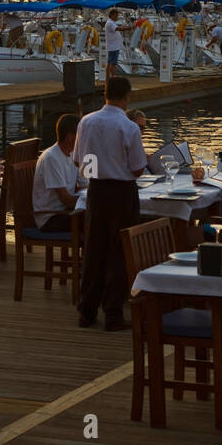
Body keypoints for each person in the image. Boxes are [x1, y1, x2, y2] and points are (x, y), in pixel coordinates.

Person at [73, 75, 146, 330]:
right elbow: (137, 168)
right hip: (122, 193)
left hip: (96, 190)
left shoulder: (86, 122)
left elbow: (78, 160)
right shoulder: (129, 127)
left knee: (94, 250)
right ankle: (113, 314)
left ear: (105, 95)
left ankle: (87, 311)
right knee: (119, 251)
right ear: (126, 97)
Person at [33, 114, 82, 231]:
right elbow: (65, 199)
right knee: (98, 221)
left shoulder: (74, 154)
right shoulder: (51, 158)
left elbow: (85, 184)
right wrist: (91, 203)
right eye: (81, 135)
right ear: (70, 137)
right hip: (50, 217)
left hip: (66, 211)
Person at [104, 12, 124, 83]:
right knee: (113, 64)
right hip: (113, 47)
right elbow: (118, 29)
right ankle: (112, 78)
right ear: (112, 15)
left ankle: (108, 79)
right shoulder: (110, 23)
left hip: (112, 47)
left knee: (110, 63)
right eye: (116, 15)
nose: (117, 17)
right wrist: (129, 28)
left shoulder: (110, 22)